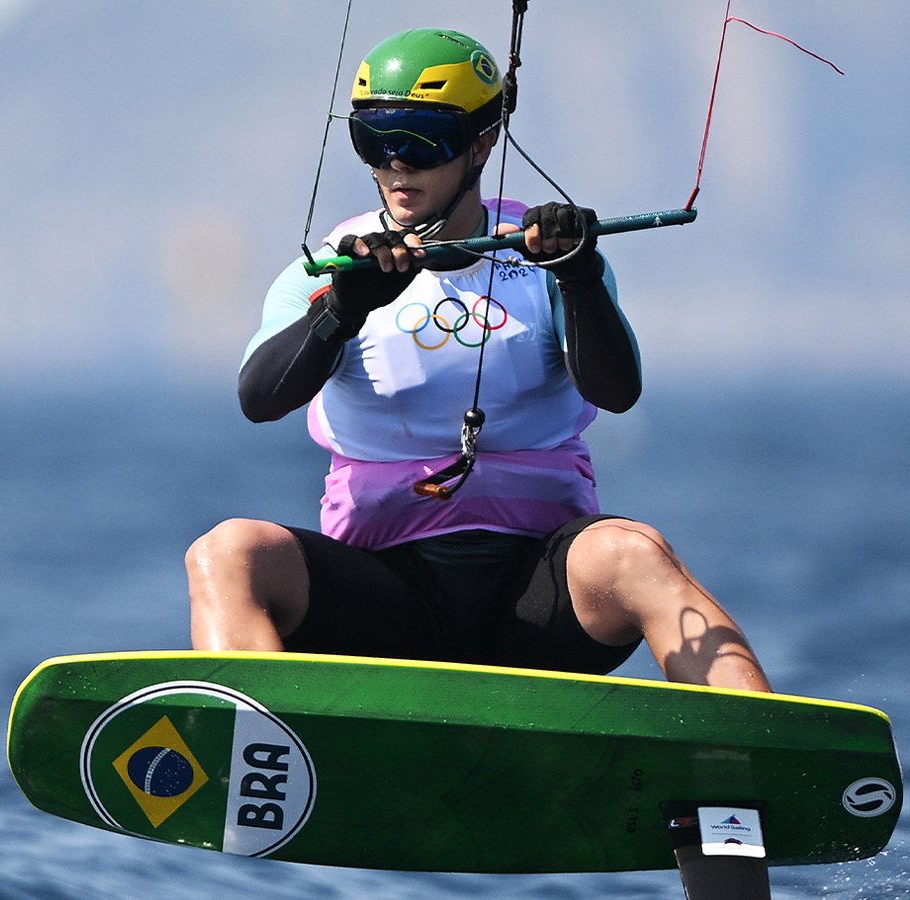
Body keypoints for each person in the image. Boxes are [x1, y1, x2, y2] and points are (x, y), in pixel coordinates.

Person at [185, 28, 770, 692]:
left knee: (636, 552)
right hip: (385, 600)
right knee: (226, 554)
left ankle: (754, 748)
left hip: (539, 596)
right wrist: (340, 312)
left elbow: (617, 391)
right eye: (374, 141)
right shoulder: (328, 269)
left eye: (420, 140)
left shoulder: (552, 258)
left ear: (483, 140)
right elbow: (259, 401)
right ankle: (261, 745)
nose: (396, 165)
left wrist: (578, 278)